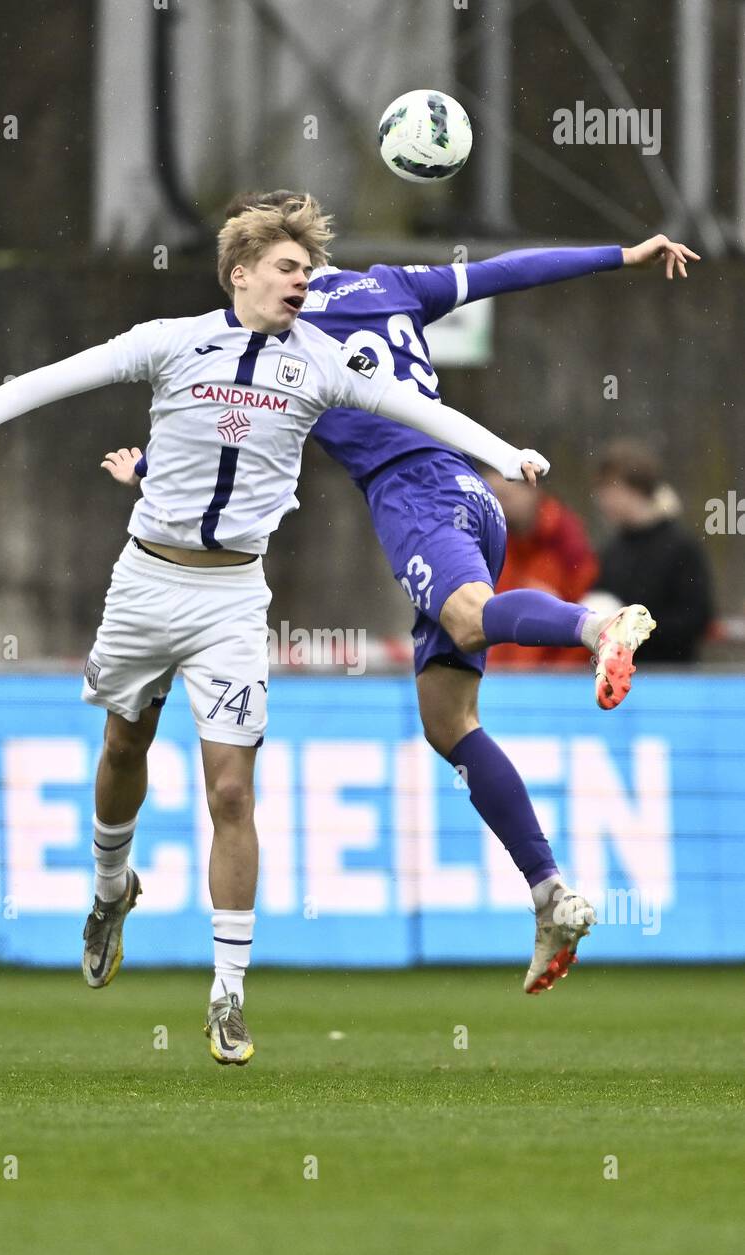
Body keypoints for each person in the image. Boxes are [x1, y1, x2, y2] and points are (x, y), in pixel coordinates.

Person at [0, 196, 548, 1065]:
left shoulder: (321, 363)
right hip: (145, 581)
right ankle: (110, 892)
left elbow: (416, 409)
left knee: (231, 795)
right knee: (124, 751)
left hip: (231, 601)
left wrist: (503, 455)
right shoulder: (170, 341)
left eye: (308, 271)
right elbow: (52, 377)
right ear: (241, 273)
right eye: (289, 269)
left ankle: (228, 994)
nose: (303, 283)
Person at [110, 191, 696, 1000]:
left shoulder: (286, 332)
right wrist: (618, 255)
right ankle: (548, 890)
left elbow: (226, 443)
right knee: (448, 720)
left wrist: (146, 472)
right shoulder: (393, 284)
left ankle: (596, 627)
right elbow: (506, 271)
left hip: (414, 491)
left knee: (465, 615)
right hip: (472, 488)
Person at [593, 439, 714, 663]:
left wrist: (635, 629)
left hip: (670, 679)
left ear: (636, 489)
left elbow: (696, 618)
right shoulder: (611, 552)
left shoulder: (681, 548)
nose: (603, 500)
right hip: (616, 678)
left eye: (609, 488)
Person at [481, 474, 599, 669]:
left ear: (531, 490)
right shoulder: (497, 540)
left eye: (504, 495)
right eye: (492, 497)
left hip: (550, 681)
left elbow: (587, 616)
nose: (498, 504)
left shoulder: (565, 544)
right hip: (503, 678)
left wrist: (559, 674)